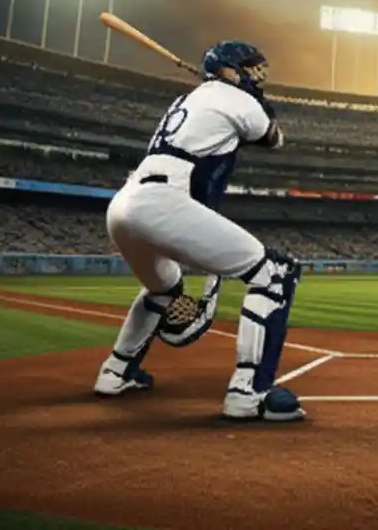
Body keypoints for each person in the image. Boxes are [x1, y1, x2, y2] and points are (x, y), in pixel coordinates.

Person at [92, 40, 306, 423]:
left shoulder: (190, 99)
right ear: (231, 71)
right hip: (162, 202)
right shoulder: (237, 100)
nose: (258, 79)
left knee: (163, 288)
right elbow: (274, 137)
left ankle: (115, 371)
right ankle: (249, 393)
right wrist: (257, 102)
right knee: (274, 274)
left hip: (125, 204)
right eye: (251, 71)